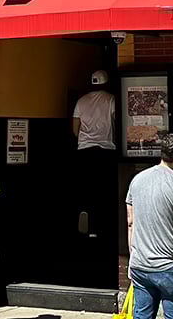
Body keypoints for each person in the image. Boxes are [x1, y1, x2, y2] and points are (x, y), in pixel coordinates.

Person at [126, 133, 173, 319]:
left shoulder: (137, 180)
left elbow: (131, 222)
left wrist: (134, 256)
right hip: (171, 267)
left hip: (141, 266)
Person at [72, 70, 115, 239]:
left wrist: (84, 138)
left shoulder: (81, 101)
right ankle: (104, 225)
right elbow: (117, 121)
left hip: (84, 149)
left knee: (87, 187)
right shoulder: (111, 99)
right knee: (104, 189)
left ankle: (88, 223)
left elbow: (75, 128)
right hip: (106, 149)